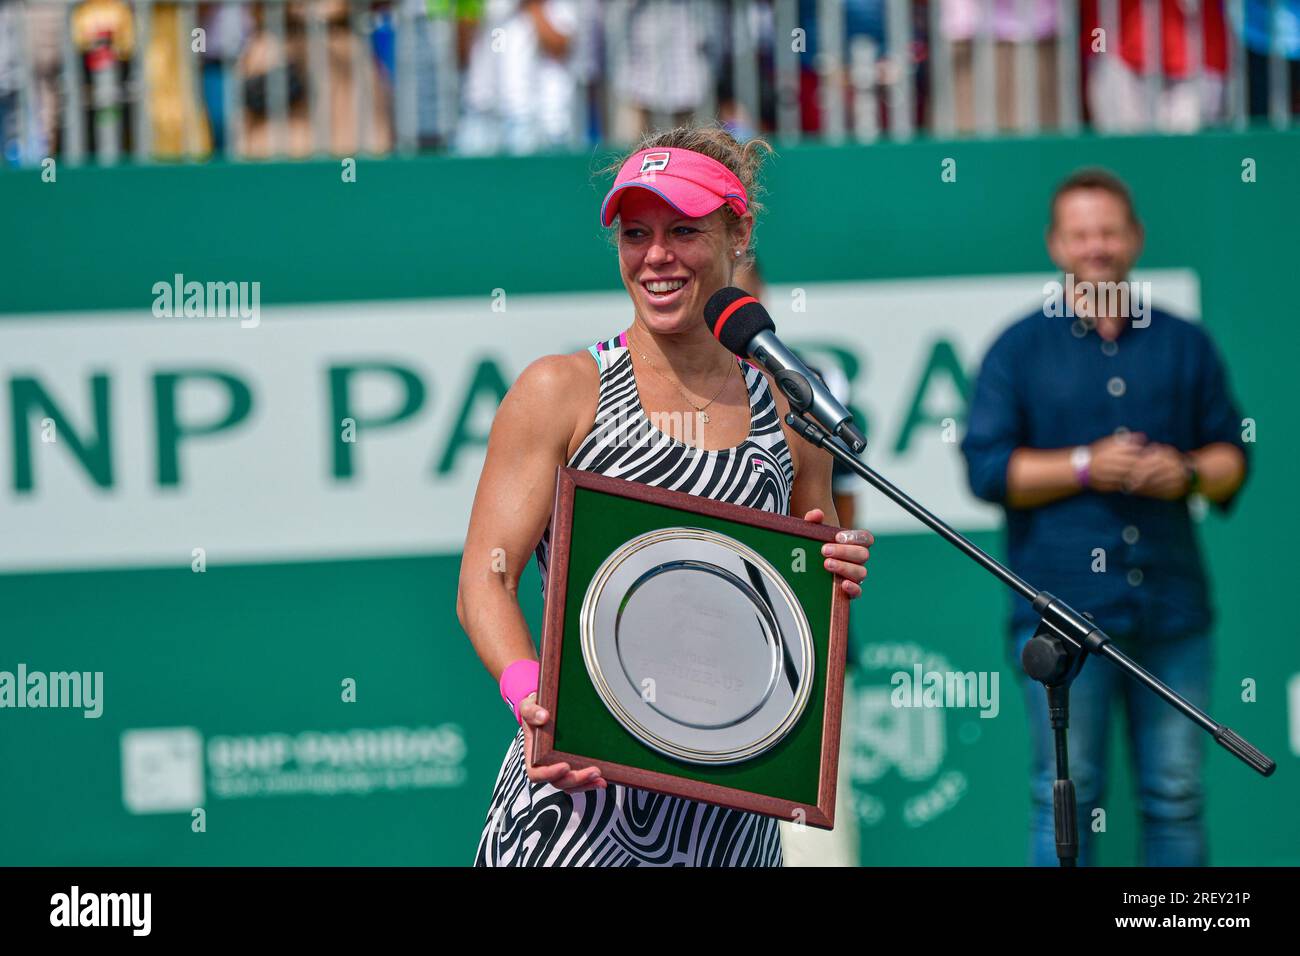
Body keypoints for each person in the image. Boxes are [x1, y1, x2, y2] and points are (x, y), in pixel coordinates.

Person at [458, 125, 874, 867]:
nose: (656, 256)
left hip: (731, 818)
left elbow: (806, 592)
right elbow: (485, 582)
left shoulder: (790, 407)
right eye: (635, 233)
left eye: (684, 230)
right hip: (578, 809)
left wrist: (836, 574)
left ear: (737, 233)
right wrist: (532, 704)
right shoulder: (560, 391)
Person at [961, 168, 1249, 866]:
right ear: (1057, 244)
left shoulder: (1184, 343)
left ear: (1135, 239)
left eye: (1109, 231)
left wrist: (1180, 470)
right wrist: (1087, 465)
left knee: (1176, 796)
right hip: (1063, 618)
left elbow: (1232, 460)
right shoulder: (1019, 348)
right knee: (1064, 791)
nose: (1097, 247)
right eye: (1082, 233)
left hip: (1172, 614)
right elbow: (988, 471)